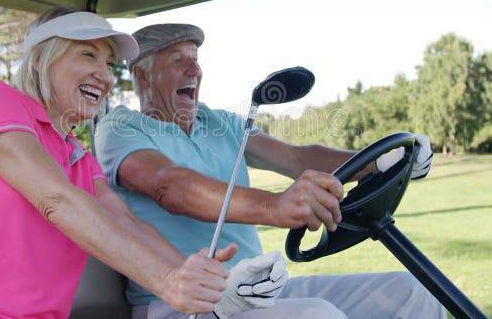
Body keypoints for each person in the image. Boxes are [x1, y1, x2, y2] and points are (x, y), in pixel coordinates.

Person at [94, 23, 445, 319]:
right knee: (317, 316)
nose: (195, 70)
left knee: (415, 292)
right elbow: (169, 186)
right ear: (141, 73)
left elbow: (296, 158)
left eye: (196, 60)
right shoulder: (121, 127)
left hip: (254, 289)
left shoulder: (220, 122)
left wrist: (379, 160)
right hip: (177, 302)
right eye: (178, 60)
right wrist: (276, 207)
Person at [0, 11, 238, 318]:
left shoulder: (77, 153)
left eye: (109, 62)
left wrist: (205, 283)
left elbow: (127, 224)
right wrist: (168, 282)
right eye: (87, 55)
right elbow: (56, 199)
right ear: (39, 60)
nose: (105, 75)